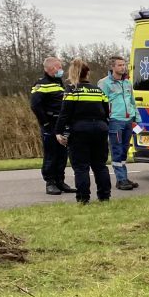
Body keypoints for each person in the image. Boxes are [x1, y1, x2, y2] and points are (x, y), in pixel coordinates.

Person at [55, 58, 112, 204]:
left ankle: (83, 198)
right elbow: (107, 112)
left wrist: (58, 132)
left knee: (81, 167)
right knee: (100, 165)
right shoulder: (98, 90)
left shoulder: (72, 90)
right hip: (100, 129)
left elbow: (64, 113)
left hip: (80, 130)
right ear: (88, 74)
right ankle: (104, 196)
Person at [28, 56, 77, 196]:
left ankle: (60, 181)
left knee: (62, 154)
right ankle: (50, 182)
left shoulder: (59, 83)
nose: (61, 69)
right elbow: (35, 106)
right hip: (50, 124)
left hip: (61, 125)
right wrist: (46, 123)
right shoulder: (41, 84)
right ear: (51, 68)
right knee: (51, 154)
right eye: (59, 67)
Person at [97, 55, 139, 190]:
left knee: (125, 150)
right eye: (120, 65)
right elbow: (101, 104)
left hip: (129, 120)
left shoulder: (127, 83)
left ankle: (124, 177)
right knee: (117, 149)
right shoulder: (104, 83)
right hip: (115, 120)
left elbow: (132, 102)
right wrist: (105, 119)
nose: (123, 67)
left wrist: (137, 118)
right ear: (112, 67)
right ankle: (121, 179)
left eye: (124, 65)